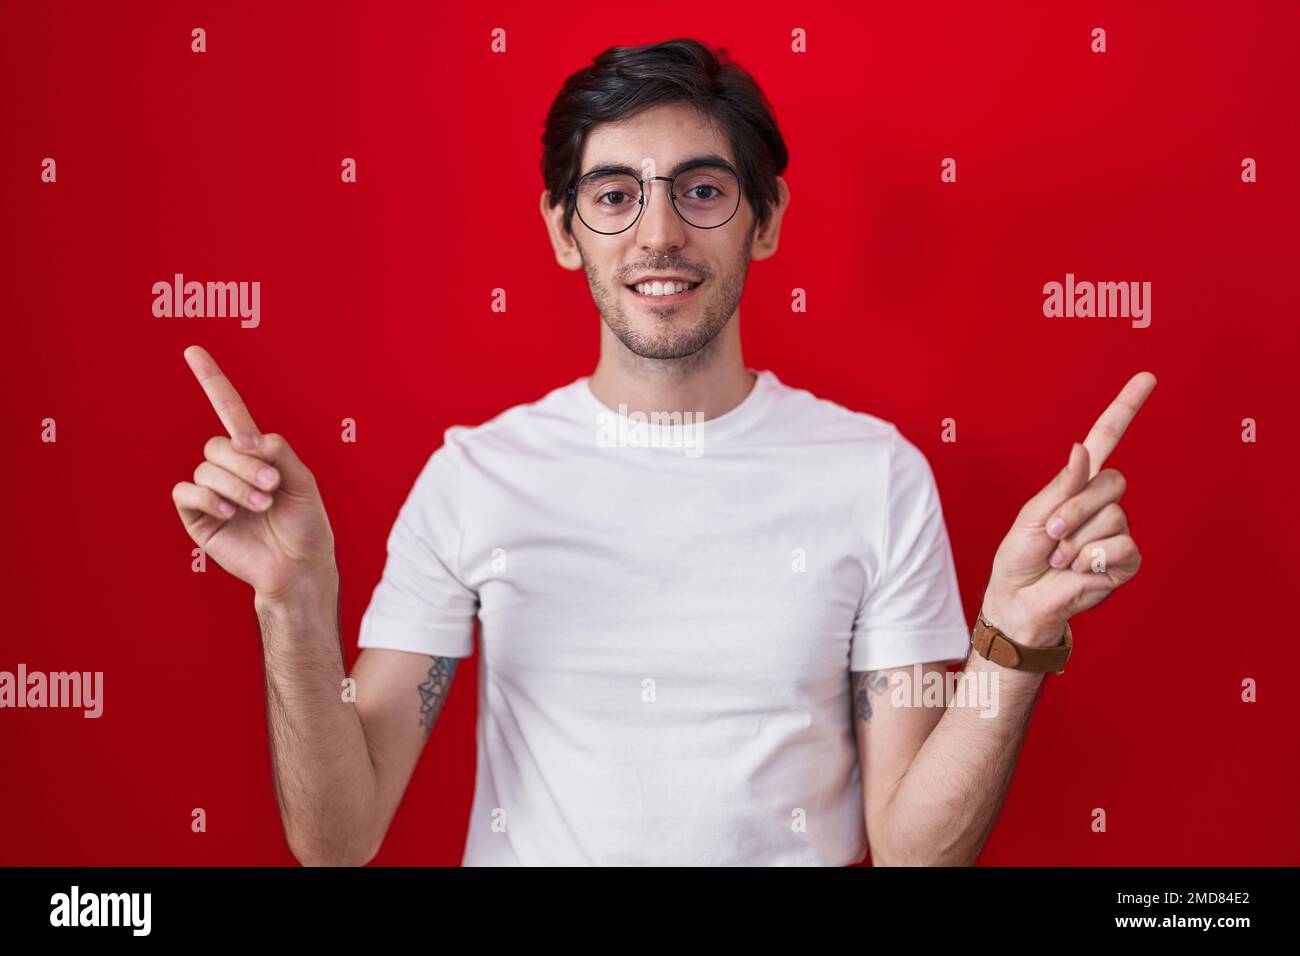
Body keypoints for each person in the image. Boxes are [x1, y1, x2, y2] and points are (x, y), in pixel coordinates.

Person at [170, 38, 1153, 866]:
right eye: (612, 196)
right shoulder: (475, 476)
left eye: (702, 189)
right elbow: (338, 836)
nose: (658, 235)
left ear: (764, 221)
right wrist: (294, 607)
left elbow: (911, 843)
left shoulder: (876, 474)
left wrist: (1013, 639)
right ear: (565, 233)